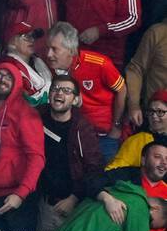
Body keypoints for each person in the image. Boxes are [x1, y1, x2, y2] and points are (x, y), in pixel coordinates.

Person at [46, 21, 127, 161]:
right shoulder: (49, 69)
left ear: (71, 50)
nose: (48, 54)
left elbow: (122, 89)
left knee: (103, 179)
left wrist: (116, 126)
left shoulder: (99, 63)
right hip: (71, 135)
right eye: (48, 48)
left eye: (54, 49)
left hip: (102, 136)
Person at [36, 74, 106, 231]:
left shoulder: (82, 128)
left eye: (67, 91)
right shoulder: (38, 116)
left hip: (74, 204)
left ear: (75, 100)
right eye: (55, 89)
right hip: (46, 203)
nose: (59, 93)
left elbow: (95, 168)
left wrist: (74, 198)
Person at [0, 65, 44, 231]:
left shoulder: (25, 113)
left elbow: (37, 158)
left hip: (16, 198)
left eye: (8, 76)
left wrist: (21, 194)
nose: (2, 79)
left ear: (16, 82)